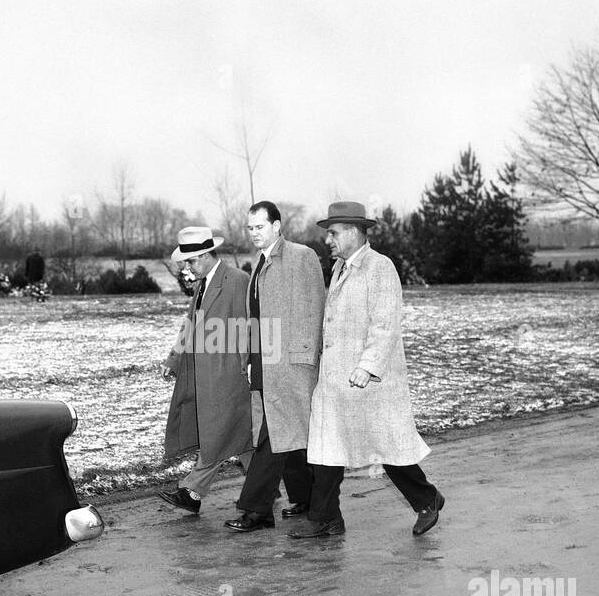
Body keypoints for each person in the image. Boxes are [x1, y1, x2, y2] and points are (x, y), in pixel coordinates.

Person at [292, 201, 444, 539]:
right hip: (335, 379)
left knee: (386, 445)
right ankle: (325, 518)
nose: (328, 240)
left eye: (332, 233)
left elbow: (385, 324)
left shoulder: (380, 267)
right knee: (326, 447)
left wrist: (367, 367)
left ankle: (426, 498)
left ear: (352, 232)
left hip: (369, 380)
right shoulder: (340, 268)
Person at [225, 201, 325, 532]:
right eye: (250, 228)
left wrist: (308, 356)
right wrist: (249, 359)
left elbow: (316, 309)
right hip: (265, 363)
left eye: (260, 227)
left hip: (291, 365)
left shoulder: (301, 256)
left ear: (277, 226)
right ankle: (307, 497)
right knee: (288, 430)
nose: (254, 233)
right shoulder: (259, 262)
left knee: (272, 433)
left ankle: (257, 509)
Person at [160, 227, 253, 514]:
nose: (187, 268)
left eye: (191, 261)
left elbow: (252, 325)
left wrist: (247, 366)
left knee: (217, 435)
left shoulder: (237, 280)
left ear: (206, 254)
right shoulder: (203, 284)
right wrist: (173, 360)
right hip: (206, 376)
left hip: (229, 376)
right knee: (244, 439)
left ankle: (192, 492)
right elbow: (189, 325)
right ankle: (264, 488)